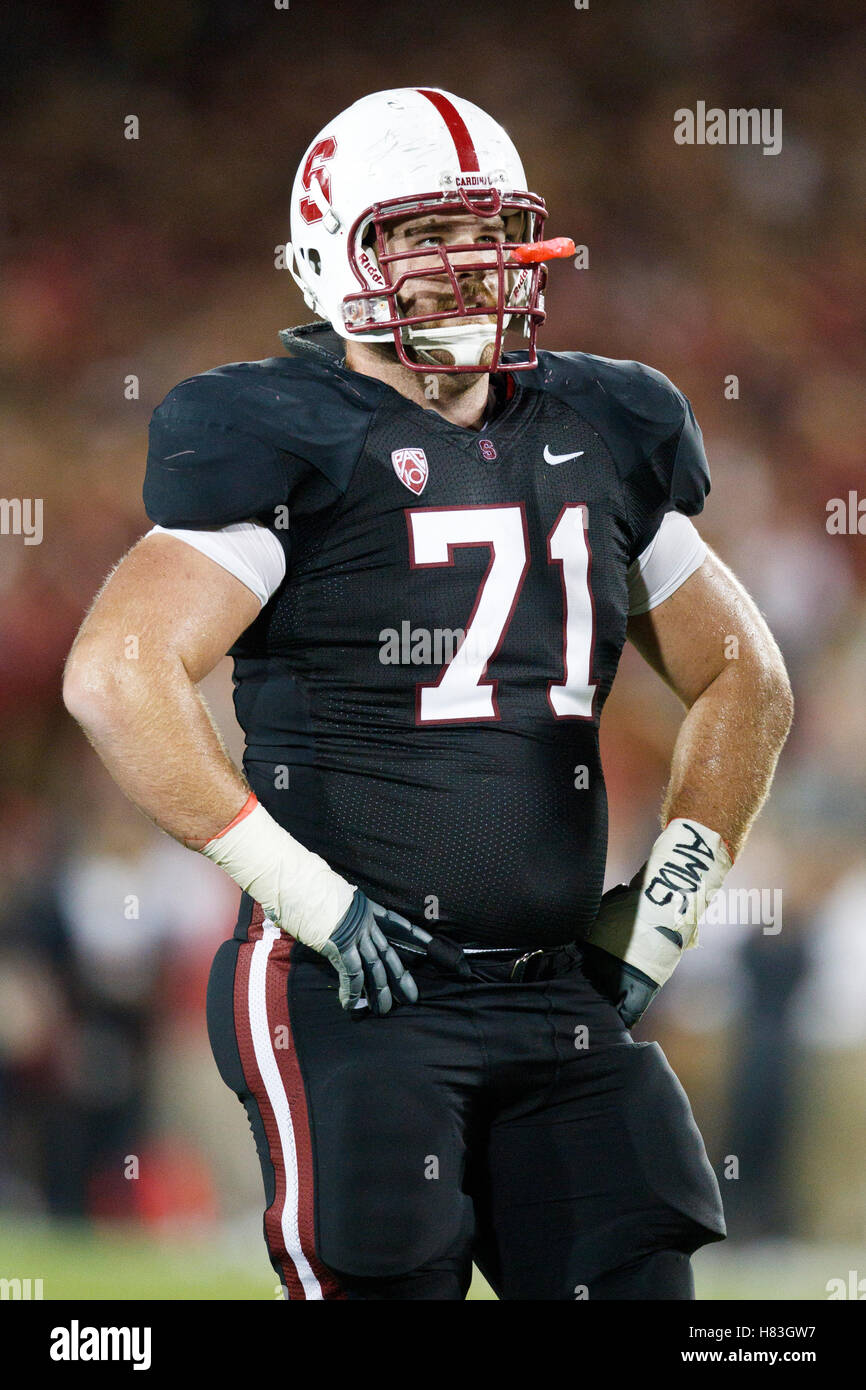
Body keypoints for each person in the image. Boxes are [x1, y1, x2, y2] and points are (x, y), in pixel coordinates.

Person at [63, 88, 793, 1300]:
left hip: (555, 990)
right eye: (421, 234)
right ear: (330, 253)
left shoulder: (601, 425)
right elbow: (115, 674)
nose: (465, 265)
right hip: (353, 985)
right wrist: (315, 903)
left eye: (484, 229)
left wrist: (664, 908)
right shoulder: (289, 433)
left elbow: (741, 674)